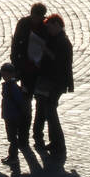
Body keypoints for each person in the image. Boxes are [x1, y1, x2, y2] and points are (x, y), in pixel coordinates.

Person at [33, 13, 74, 155]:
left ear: (57, 25)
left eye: (50, 27)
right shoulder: (56, 39)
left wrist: (45, 50)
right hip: (54, 81)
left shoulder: (62, 42)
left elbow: (59, 61)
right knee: (50, 111)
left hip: (57, 82)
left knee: (51, 111)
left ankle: (58, 143)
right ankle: (55, 142)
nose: (49, 31)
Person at [10, 2, 48, 143]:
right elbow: (15, 46)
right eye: (34, 17)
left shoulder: (45, 26)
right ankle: (23, 136)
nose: (36, 20)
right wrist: (16, 66)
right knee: (25, 103)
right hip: (25, 71)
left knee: (40, 105)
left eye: (39, 17)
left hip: (40, 73)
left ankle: (38, 136)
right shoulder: (23, 24)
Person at [0, 63, 29, 174]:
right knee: (11, 137)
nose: (4, 76)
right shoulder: (8, 85)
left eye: (6, 74)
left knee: (12, 137)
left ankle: (13, 157)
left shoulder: (12, 87)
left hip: (12, 115)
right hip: (9, 115)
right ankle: (11, 155)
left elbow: (18, 100)